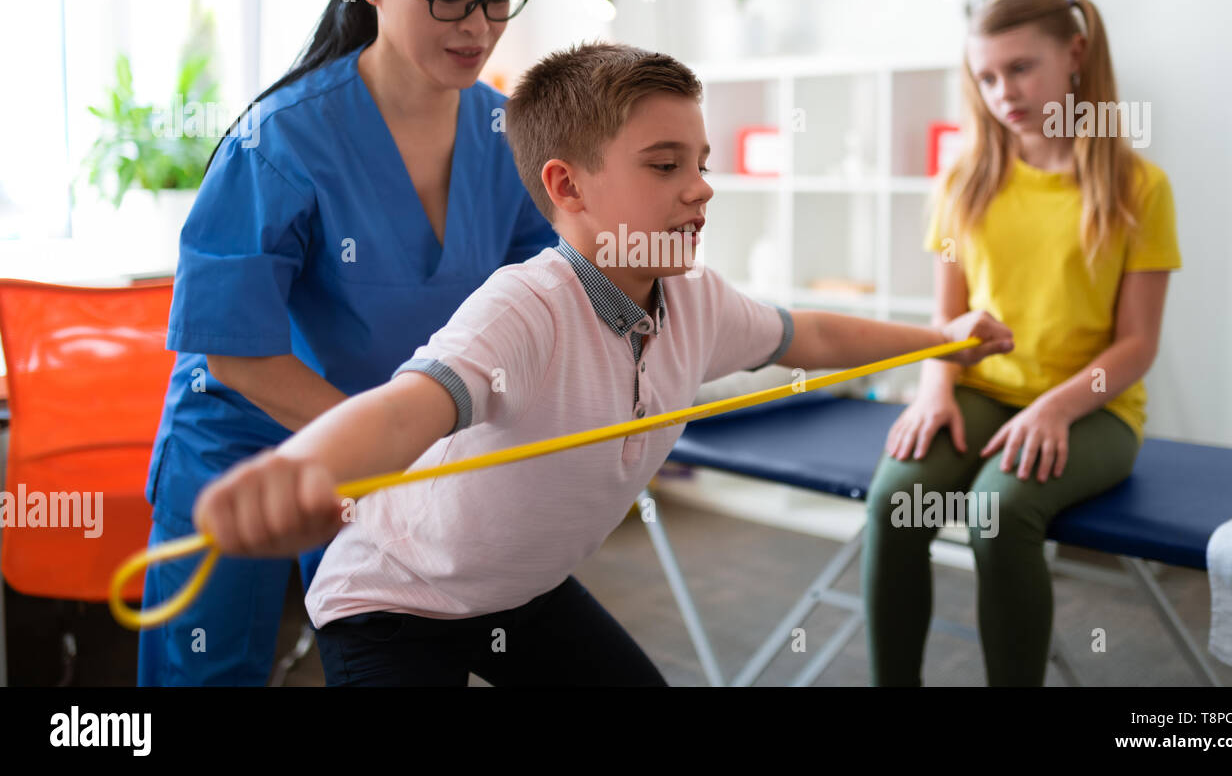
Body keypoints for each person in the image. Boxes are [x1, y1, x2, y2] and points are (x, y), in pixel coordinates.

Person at [187, 42, 1014, 686]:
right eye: (665, 165)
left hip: (521, 590)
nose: (701, 189)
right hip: (395, 597)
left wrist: (946, 338)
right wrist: (299, 470)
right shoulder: (526, 306)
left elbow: (815, 339)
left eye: (702, 163)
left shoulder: (699, 303)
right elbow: (409, 411)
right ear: (567, 186)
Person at [138, 0, 556, 686]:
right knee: (208, 670)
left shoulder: (507, 134)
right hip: (243, 443)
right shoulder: (283, 139)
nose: (476, 25)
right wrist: (388, 452)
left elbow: (539, 296)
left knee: (390, 658)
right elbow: (234, 353)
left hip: (390, 450)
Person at [862, 0, 1182, 686]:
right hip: (982, 390)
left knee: (996, 513)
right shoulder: (964, 182)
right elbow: (947, 323)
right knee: (895, 500)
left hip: (1092, 409)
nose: (1003, 91)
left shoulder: (1138, 188)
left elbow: (1137, 344)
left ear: (1074, 56)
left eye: (1020, 68)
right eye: (986, 76)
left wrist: (1056, 408)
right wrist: (934, 389)